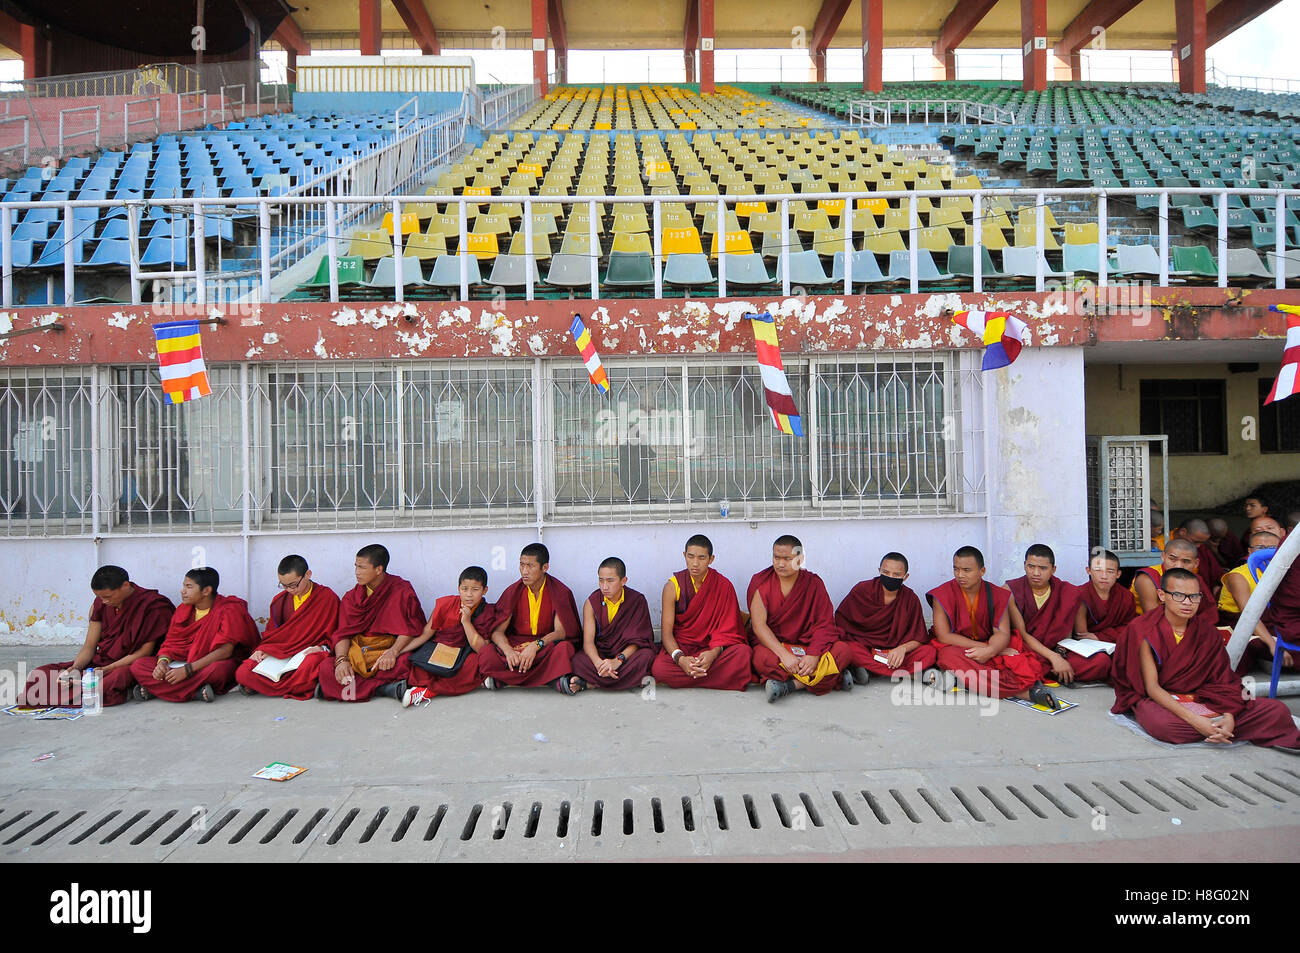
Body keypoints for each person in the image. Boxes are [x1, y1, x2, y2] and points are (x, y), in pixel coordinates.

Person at [1110, 568, 1300, 751]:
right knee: (1166, 726)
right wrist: (1196, 721)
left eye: (1194, 596)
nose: (1187, 602)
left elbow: (1222, 680)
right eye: (1178, 595)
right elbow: (1152, 688)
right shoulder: (1143, 629)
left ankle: (1220, 728)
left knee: (1277, 710)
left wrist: (1229, 714)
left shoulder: (1206, 631)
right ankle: (1217, 730)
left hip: (1204, 696)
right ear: (1162, 595)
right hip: (1162, 700)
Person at [20, 566, 173, 708]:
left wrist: (107, 669)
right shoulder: (101, 603)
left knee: (113, 680)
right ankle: (77, 692)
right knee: (40, 674)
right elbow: (89, 646)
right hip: (99, 663)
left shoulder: (151, 606)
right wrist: (75, 668)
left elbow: (144, 652)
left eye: (108, 596)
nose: (104, 602)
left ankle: (111, 689)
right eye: (100, 597)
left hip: (126, 664)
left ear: (126, 586)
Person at [928, 546, 1062, 707]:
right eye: (956, 569)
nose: (960, 575)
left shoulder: (996, 594)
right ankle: (1025, 692)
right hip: (959, 647)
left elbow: (1002, 632)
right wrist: (988, 648)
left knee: (1022, 658)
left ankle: (962, 679)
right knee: (948, 656)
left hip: (991, 645)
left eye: (967, 570)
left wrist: (991, 650)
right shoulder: (942, 594)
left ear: (982, 571)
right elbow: (944, 636)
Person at [749, 535, 854, 702]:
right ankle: (832, 677)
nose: (780, 564)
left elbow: (824, 624)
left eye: (787, 559)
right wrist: (784, 654)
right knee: (760, 658)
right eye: (776, 557)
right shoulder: (761, 582)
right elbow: (759, 627)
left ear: (800, 559)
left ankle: (790, 686)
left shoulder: (813, 584)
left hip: (808, 645)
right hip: (778, 647)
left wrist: (813, 655)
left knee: (844, 651)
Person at [130, 567, 259, 702]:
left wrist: (187, 671)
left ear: (206, 591)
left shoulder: (229, 609)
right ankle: (196, 692)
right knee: (138, 665)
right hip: (182, 663)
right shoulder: (182, 610)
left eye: (189, 586)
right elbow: (170, 643)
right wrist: (162, 663)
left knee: (219, 670)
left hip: (209, 663)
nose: (183, 591)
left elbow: (225, 652)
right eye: (183, 586)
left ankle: (157, 690)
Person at [316, 544, 426, 703]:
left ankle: (339, 689)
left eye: (362, 567)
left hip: (387, 648)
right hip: (358, 650)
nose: (356, 572)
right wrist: (342, 660)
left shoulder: (402, 591)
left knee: (405, 662)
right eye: (356, 566)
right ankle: (385, 689)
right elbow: (342, 633)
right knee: (327, 667)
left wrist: (393, 652)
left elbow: (410, 629)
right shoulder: (352, 597)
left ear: (379, 569)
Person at [651, 534, 752, 691]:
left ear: (711, 559)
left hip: (712, 647)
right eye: (690, 557)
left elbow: (729, 631)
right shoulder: (673, 586)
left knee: (743, 653)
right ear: (684, 556)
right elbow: (666, 634)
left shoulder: (723, 585)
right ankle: (711, 676)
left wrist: (713, 653)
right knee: (659, 669)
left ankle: (692, 675)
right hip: (683, 647)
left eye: (702, 558)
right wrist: (680, 659)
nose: (695, 563)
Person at [235, 555, 339, 701]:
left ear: (308, 575)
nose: (289, 590)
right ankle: (299, 687)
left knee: (312, 663)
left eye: (293, 585)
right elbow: (272, 634)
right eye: (283, 585)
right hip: (281, 653)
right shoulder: (280, 601)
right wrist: (262, 649)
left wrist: (322, 648)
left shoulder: (327, 598)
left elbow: (335, 633)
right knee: (243, 672)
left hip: (308, 652)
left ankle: (268, 687)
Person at [480, 543, 579, 692]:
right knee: (487, 652)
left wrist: (535, 646)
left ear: (544, 567)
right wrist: (508, 651)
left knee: (564, 649)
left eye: (530, 566)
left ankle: (504, 679)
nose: (524, 571)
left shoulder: (559, 592)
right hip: (516, 645)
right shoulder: (513, 591)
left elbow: (561, 632)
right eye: (521, 565)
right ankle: (551, 680)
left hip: (544, 645)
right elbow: (497, 632)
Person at [1006, 544, 1107, 684]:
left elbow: (1067, 632)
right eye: (1031, 566)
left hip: (1058, 650)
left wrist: (1060, 654)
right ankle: (1052, 671)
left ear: (1053, 569)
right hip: (1027, 650)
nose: (1036, 573)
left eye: (1043, 568)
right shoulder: (1011, 591)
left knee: (1101, 662)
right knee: (1013, 662)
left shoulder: (1067, 591)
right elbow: (1022, 634)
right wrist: (1054, 658)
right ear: (1024, 565)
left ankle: (1048, 672)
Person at [400, 566, 497, 707]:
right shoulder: (445, 604)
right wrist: (398, 651)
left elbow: (481, 648)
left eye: (475, 590)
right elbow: (426, 633)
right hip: (441, 649)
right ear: (458, 588)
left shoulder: (487, 612)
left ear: (484, 590)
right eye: (465, 589)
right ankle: (467, 683)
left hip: (465, 652)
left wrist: (466, 622)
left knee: (479, 661)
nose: (469, 594)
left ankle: (427, 692)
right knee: (411, 662)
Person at [834, 552, 935, 685]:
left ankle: (870, 670)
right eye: (886, 572)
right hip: (866, 648)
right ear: (879, 571)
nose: (890, 577)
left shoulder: (910, 598)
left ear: (905, 577)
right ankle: (908, 674)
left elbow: (919, 637)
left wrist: (902, 649)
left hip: (895, 651)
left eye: (897, 575)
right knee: (848, 648)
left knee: (929, 652)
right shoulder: (862, 589)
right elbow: (842, 621)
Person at [569, 557, 656, 692]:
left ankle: (590, 684)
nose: (604, 586)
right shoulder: (591, 603)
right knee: (577, 661)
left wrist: (618, 660)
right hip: (601, 654)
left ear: (623, 581)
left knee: (647, 656)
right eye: (601, 580)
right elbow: (588, 643)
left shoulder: (637, 601)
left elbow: (639, 640)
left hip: (626, 657)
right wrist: (599, 664)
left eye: (610, 581)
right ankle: (628, 681)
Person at [1222, 531, 1296, 673]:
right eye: (1261, 548)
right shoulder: (1239, 576)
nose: (1267, 553)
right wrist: (1272, 644)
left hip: (1276, 624)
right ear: (1250, 551)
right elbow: (1249, 617)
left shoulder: (1288, 573)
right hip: (1243, 626)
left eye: (1273, 548)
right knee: (1260, 645)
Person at [1130, 538, 1219, 624]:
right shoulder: (1147, 578)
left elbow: (1209, 612)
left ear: (1196, 563)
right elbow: (1153, 617)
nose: (1178, 566)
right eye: (1172, 559)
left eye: (1186, 561)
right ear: (1163, 557)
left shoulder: (1195, 580)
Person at [1073, 549, 1136, 670]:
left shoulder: (1126, 596)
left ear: (1118, 574)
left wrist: (1099, 636)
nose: (1104, 576)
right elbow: (1081, 635)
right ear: (1089, 571)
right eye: (1098, 571)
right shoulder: (1079, 594)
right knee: (1101, 662)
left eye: (1110, 571)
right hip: (1086, 648)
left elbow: (1130, 628)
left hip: (1116, 645)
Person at [1170, 518, 1222, 596]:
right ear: (1182, 532)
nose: (1198, 546)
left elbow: (1216, 575)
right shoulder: (1160, 544)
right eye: (1195, 542)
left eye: (1201, 543)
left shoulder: (1201, 549)